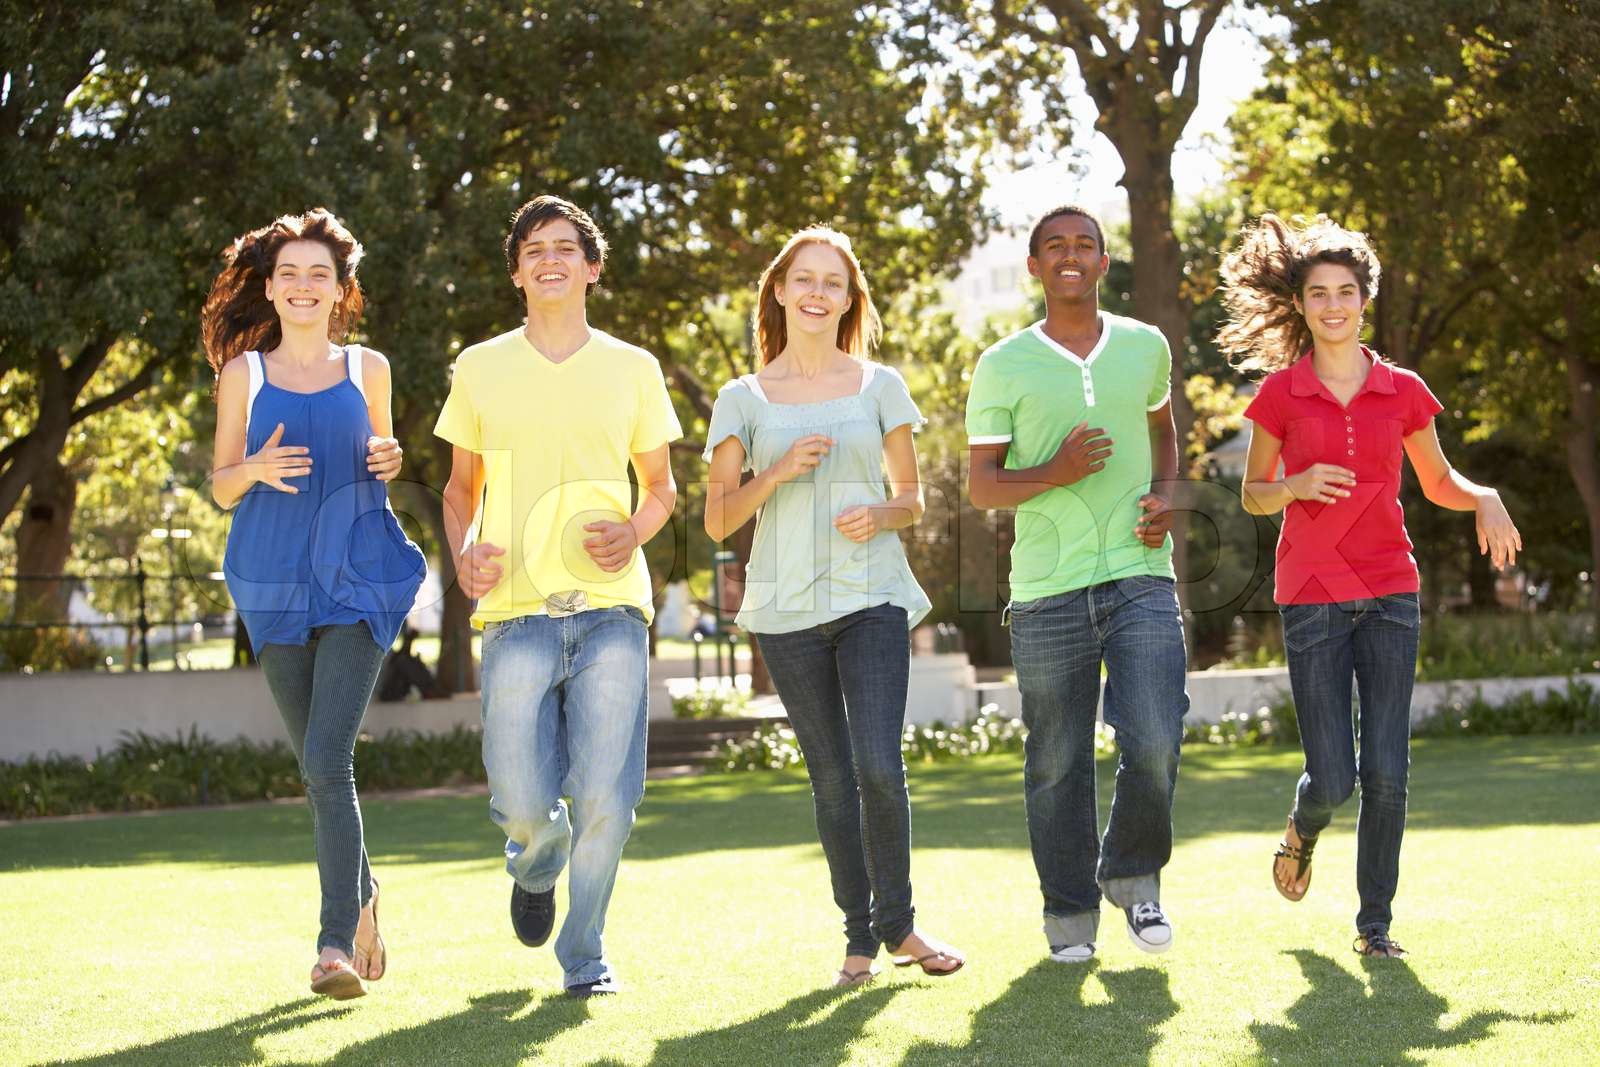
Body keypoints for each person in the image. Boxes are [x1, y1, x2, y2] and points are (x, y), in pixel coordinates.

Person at [1221, 213, 1521, 958]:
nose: (1332, 305)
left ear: (1365, 299)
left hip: (1390, 589)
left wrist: (1482, 495)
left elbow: (1439, 480)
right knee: (1334, 776)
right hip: (1313, 595)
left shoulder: (1403, 390)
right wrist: (1295, 482)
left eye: (1345, 292)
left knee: (1388, 771)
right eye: (1318, 293)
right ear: (1301, 303)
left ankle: (1374, 925)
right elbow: (1253, 495)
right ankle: (1304, 823)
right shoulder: (1282, 396)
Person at [703, 226, 963, 988]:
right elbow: (718, 519)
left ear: (850, 300)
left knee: (879, 765)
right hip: (784, 610)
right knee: (830, 778)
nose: (818, 293)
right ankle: (860, 939)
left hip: (871, 595)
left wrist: (881, 515)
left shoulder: (878, 385)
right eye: (804, 279)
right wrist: (778, 469)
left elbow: (912, 499)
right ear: (779, 291)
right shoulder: (742, 397)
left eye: (834, 283)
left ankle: (902, 926)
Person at [435, 195, 681, 998]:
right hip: (514, 611)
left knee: (610, 797)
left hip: (612, 610)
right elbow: (457, 488)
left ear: (591, 266)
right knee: (520, 799)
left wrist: (635, 530)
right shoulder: (478, 366)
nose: (550, 258)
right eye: (534, 248)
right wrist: (464, 550)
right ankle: (537, 862)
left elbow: (661, 488)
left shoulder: (634, 368)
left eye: (565, 247)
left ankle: (585, 952)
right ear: (517, 271)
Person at [204, 208, 424, 999]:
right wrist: (254, 466)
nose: (303, 286)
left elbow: (384, 459)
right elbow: (221, 485)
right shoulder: (246, 376)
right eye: (289, 273)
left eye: (318, 275)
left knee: (329, 760)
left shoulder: (370, 369)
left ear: (340, 290)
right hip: (270, 582)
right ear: (270, 287)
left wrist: (394, 455)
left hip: (358, 573)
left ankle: (332, 945)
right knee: (317, 769)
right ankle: (363, 896)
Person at [966, 205, 1189, 964]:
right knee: (1056, 760)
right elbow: (983, 487)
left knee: (1155, 739)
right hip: (1046, 589)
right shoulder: (1003, 362)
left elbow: (1162, 429)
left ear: (1102, 262)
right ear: (1034, 267)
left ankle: (1133, 875)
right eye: (1054, 246)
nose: (1070, 254)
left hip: (1139, 572)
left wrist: (1166, 493)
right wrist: (1054, 472)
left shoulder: (1144, 346)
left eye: (1084, 244)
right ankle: (1068, 913)